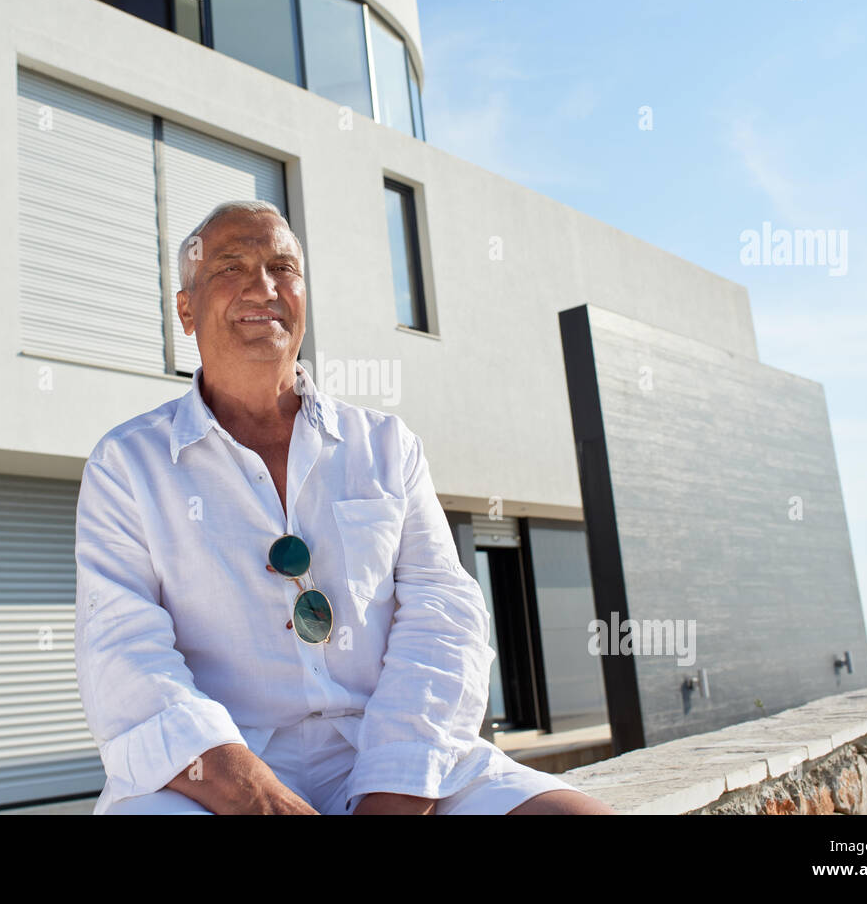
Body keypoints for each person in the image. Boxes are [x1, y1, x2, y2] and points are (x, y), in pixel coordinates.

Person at [73, 199, 616, 815]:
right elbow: (123, 652)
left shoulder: (385, 445)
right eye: (231, 267)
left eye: (283, 267)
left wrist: (396, 786)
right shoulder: (127, 464)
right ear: (186, 307)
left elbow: (444, 614)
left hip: (388, 749)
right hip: (218, 776)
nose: (264, 285)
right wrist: (260, 800)